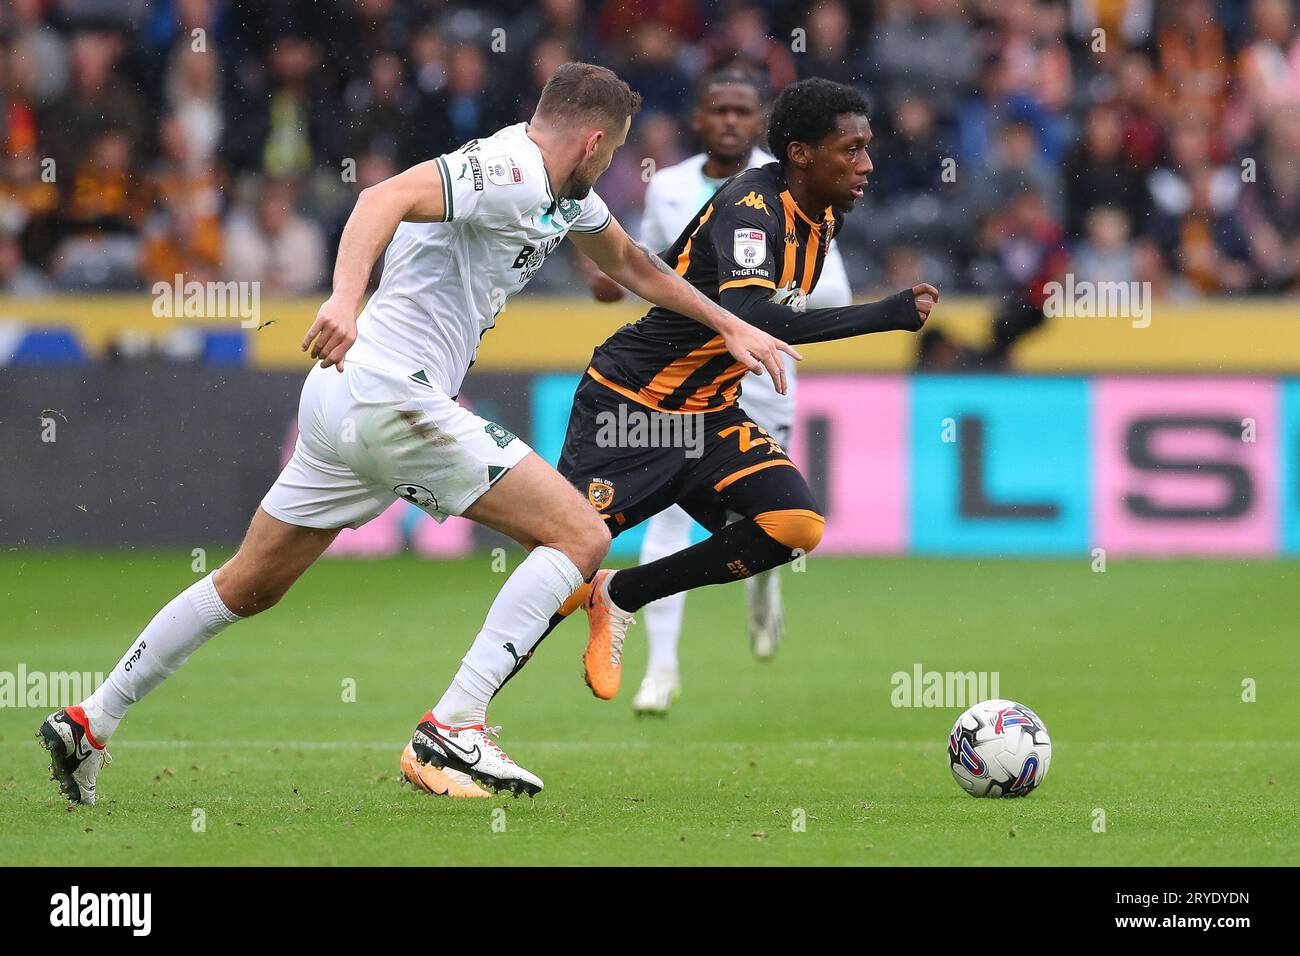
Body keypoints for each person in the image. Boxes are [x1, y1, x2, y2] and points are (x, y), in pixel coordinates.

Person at [37, 63, 798, 805]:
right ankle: (455, 725)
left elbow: (631, 262)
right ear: (595, 141)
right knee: (580, 535)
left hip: (346, 400)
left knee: (248, 583)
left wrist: (730, 325)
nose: (614, 169)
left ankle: (90, 721)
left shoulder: (564, 191)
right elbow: (381, 196)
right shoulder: (511, 169)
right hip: (390, 392)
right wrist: (342, 298)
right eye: (617, 151)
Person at [557, 78, 937, 702]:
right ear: (801, 154)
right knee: (557, 572)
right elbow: (754, 319)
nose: (867, 164)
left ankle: (620, 596)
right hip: (633, 404)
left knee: (793, 525)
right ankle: (458, 717)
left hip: (707, 414)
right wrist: (883, 314)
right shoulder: (749, 207)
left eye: (867, 148)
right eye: (852, 149)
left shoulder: (824, 216)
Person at [583, 69, 853, 715]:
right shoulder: (671, 186)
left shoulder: (797, 184)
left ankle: (761, 589)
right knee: (670, 516)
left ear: (759, 121)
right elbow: (656, 266)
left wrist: (762, 305)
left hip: (762, 377)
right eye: (718, 109)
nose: (729, 120)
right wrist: (614, 284)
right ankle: (662, 671)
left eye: (741, 110)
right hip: (683, 380)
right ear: (699, 120)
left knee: (761, 522)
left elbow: (835, 294)